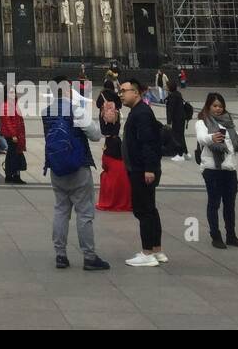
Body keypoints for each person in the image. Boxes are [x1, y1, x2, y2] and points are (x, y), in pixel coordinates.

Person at [41, 78, 109, 270]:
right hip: (78, 166)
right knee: (84, 212)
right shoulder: (76, 109)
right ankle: (89, 256)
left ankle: (60, 255)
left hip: (56, 167)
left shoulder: (46, 112)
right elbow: (95, 135)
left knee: (61, 210)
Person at [195, 92, 238, 249]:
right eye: (215, 106)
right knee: (214, 203)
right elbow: (202, 138)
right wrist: (212, 138)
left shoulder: (227, 122)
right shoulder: (202, 122)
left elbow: (236, 135)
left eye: (220, 106)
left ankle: (231, 235)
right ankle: (215, 236)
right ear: (208, 106)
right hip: (212, 168)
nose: (218, 109)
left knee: (230, 204)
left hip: (229, 168)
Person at [119, 77, 165, 266]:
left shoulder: (141, 113)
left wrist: (148, 169)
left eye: (124, 91)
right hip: (141, 168)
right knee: (150, 209)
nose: (121, 94)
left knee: (143, 210)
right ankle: (157, 251)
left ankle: (147, 253)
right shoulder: (139, 111)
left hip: (141, 170)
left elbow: (148, 143)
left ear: (136, 92)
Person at [95, 79, 131, 212]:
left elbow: (98, 104)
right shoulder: (115, 95)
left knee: (107, 133)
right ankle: (113, 134)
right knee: (113, 131)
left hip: (105, 124)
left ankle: (109, 135)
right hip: (115, 124)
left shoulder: (102, 94)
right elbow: (120, 106)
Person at [0, 92, 27, 184]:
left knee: (13, 154)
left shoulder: (14, 104)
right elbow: (7, 122)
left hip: (17, 133)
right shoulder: (7, 105)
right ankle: (13, 175)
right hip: (12, 135)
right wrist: (13, 135)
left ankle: (12, 175)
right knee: (14, 154)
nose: (13, 94)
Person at [165, 78, 188, 161]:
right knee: (181, 135)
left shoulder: (172, 96)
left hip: (177, 119)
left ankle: (180, 154)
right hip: (182, 118)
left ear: (170, 87)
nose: (165, 87)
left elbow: (170, 110)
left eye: (166, 86)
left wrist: (169, 122)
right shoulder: (178, 94)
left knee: (177, 136)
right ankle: (185, 153)